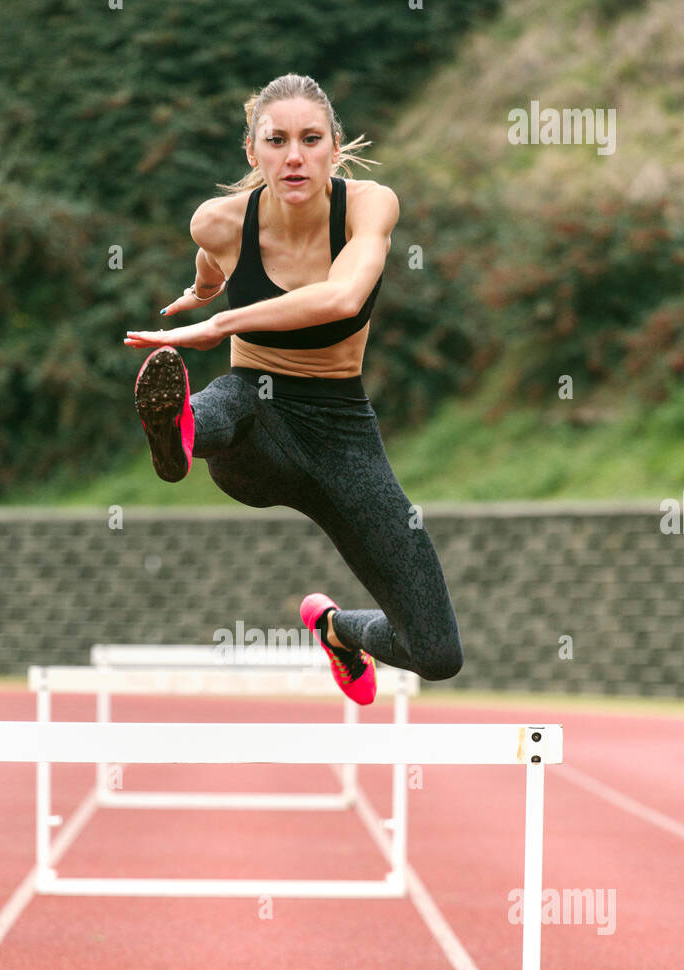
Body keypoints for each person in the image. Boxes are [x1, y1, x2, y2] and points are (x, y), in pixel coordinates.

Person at [124, 73, 463, 704]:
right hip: (256, 434)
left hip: (344, 438)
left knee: (438, 653)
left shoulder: (370, 204)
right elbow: (210, 256)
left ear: (335, 146)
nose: (295, 156)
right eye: (276, 141)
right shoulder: (218, 222)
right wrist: (200, 292)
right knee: (236, 397)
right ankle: (177, 429)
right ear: (253, 152)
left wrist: (217, 320)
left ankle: (335, 630)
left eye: (311, 139)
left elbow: (342, 296)